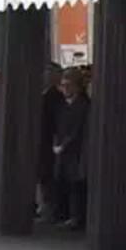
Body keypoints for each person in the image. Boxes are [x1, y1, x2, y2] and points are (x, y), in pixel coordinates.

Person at [54, 67, 90, 230]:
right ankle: (67, 214)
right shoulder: (62, 105)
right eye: (63, 85)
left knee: (76, 184)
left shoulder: (83, 105)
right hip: (63, 149)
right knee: (65, 182)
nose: (65, 89)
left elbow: (78, 130)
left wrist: (64, 145)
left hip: (76, 151)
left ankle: (77, 217)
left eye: (69, 85)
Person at [38, 63, 66, 222]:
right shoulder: (42, 93)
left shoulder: (56, 96)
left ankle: (49, 209)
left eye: (49, 72)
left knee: (48, 175)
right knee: (41, 175)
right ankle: (42, 205)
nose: (45, 75)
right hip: (41, 139)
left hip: (50, 139)